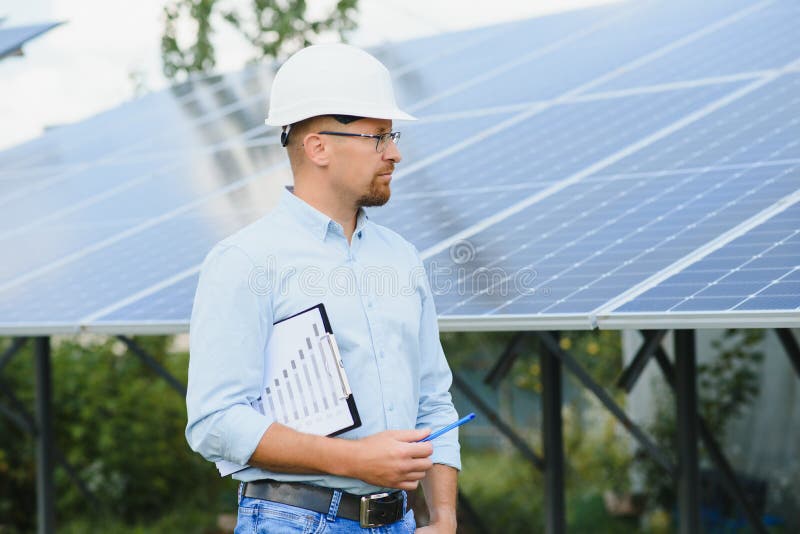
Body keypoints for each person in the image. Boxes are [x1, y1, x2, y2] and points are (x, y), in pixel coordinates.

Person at [186, 43, 461, 533]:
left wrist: (442, 519)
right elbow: (215, 422)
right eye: (378, 136)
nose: (395, 152)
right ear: (318, 147)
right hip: (292, 521)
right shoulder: (244, 262)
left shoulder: (401, 258)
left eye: (391, 135)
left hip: (400, 522)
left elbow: (434, 402)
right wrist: (355, 460)